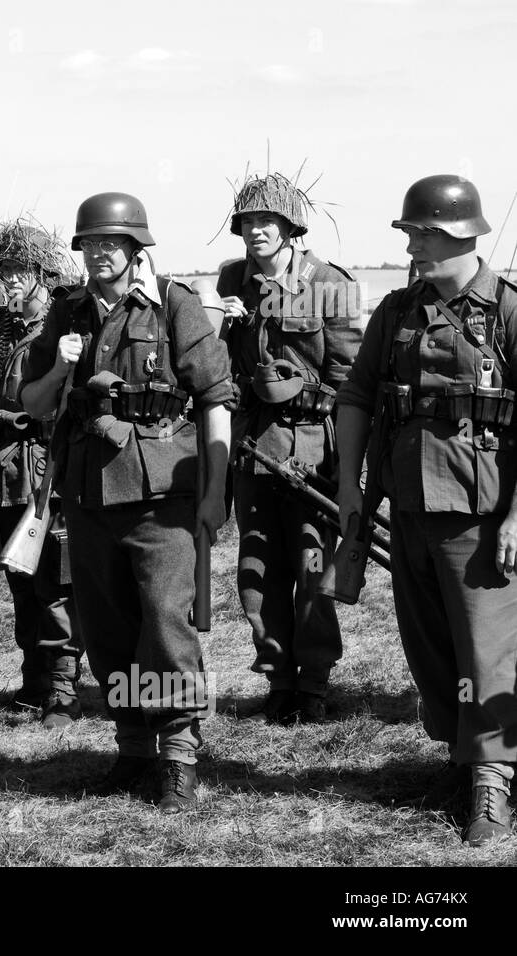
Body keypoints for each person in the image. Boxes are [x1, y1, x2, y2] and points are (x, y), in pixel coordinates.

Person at [20, 194, 233, 811]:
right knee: (108, 625)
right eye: (90, 243)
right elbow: (34, 404)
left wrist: (216, 489)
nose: (100, 252)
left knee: (166, 624)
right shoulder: (66, 312)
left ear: (137, 248)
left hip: (162, 494)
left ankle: (178, 753)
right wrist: (60, 371)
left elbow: (216, 396)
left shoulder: (173, 305)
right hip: (88, 493)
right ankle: (133, 746)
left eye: (113, 242)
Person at [335, 175, 517, 845]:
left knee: (486, 653)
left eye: (419, 234)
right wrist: (351, 484)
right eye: (410, 234)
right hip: (407, 505)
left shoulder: (506, 311)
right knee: (430, 648)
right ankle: (459, 759)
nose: (410, 245)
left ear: (459, 235)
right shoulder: (397, 311)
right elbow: (356, 395)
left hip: (482, 515)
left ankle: (494, 779)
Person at [216, 172, 361, 724]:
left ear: (289, 228)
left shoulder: (330, 282)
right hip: (255, 445)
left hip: (311, 445)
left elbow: (351, 379)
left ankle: (315, 683)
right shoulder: (234, 280)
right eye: (248, 222)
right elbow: (220, 370)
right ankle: (276, 676)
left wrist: (346, 457)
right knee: (257, 562)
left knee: (311, 561)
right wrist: (226, 328)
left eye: (266, 222)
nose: (256, 232)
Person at [0, 217, 84, 726]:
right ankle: (35, 677)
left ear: (40, 270)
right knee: (19, 578)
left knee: (54, 583)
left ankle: (62, 684)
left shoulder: (64, 322)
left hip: (49, 469)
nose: (11, 278)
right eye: (4, 268)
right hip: (5, 470)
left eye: (19, 268)